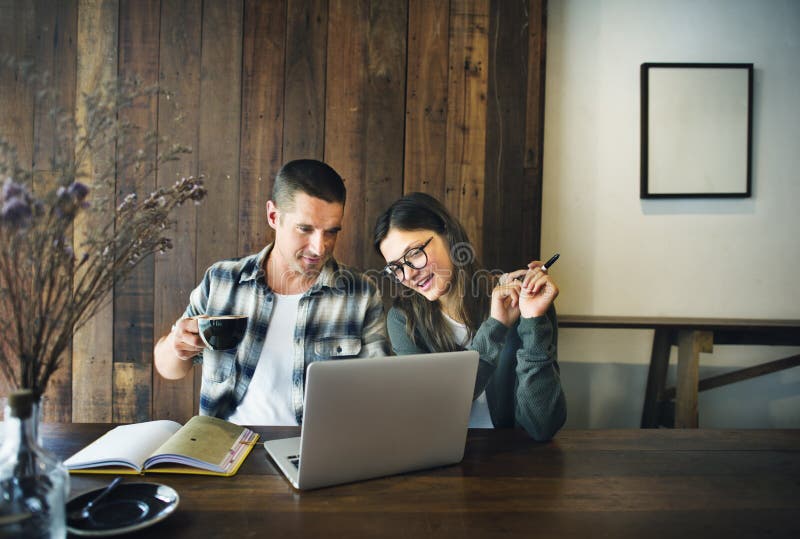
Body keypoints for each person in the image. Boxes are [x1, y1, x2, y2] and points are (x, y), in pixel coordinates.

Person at [155, 159, 390, 424]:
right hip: (225, 448)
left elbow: (379, 392)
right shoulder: (223, 281)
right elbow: (169, 369)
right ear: (273, 216)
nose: (319, 247)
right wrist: (178, 346)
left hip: (317, 453)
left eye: (331, 232)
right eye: (305, 229)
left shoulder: (361, 294)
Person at [373, 192, 566, 441]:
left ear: (448, 234)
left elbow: (542, 427)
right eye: (396, 267)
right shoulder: (404, 320)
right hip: (438, 459)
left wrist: (533, 320)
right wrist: (495, 327)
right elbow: (434, 412)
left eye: (413, 255)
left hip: (514, 463)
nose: (408, 275)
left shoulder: (524, 301)